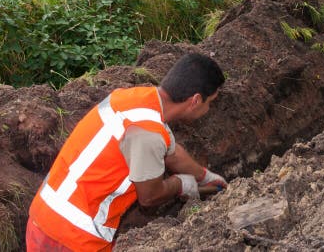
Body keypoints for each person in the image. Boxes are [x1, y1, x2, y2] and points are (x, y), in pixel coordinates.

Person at [26, 52, 227, 251]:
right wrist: (181, 184)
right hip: (72, 239)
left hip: (42, 217)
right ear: (195, 100)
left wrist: (203, 176)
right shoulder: (148, 134)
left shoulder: (135, 100)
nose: (209, 109)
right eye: (210, 103)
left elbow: (172, 154)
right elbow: (149, 197)